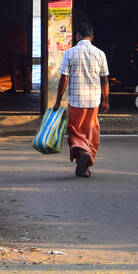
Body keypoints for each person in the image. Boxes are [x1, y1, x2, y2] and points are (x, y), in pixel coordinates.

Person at [53, 21, 110, 178]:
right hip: (93, 102)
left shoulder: (70, 53)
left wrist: (58, 100)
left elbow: (64, 78)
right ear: (92, 37)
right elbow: (104, 80)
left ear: (78, 35)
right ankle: (85, 165)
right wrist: (106, 100)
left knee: (75, 131)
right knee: (90, 132)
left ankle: (83, 154)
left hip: (76, 101)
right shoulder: (100, 54)